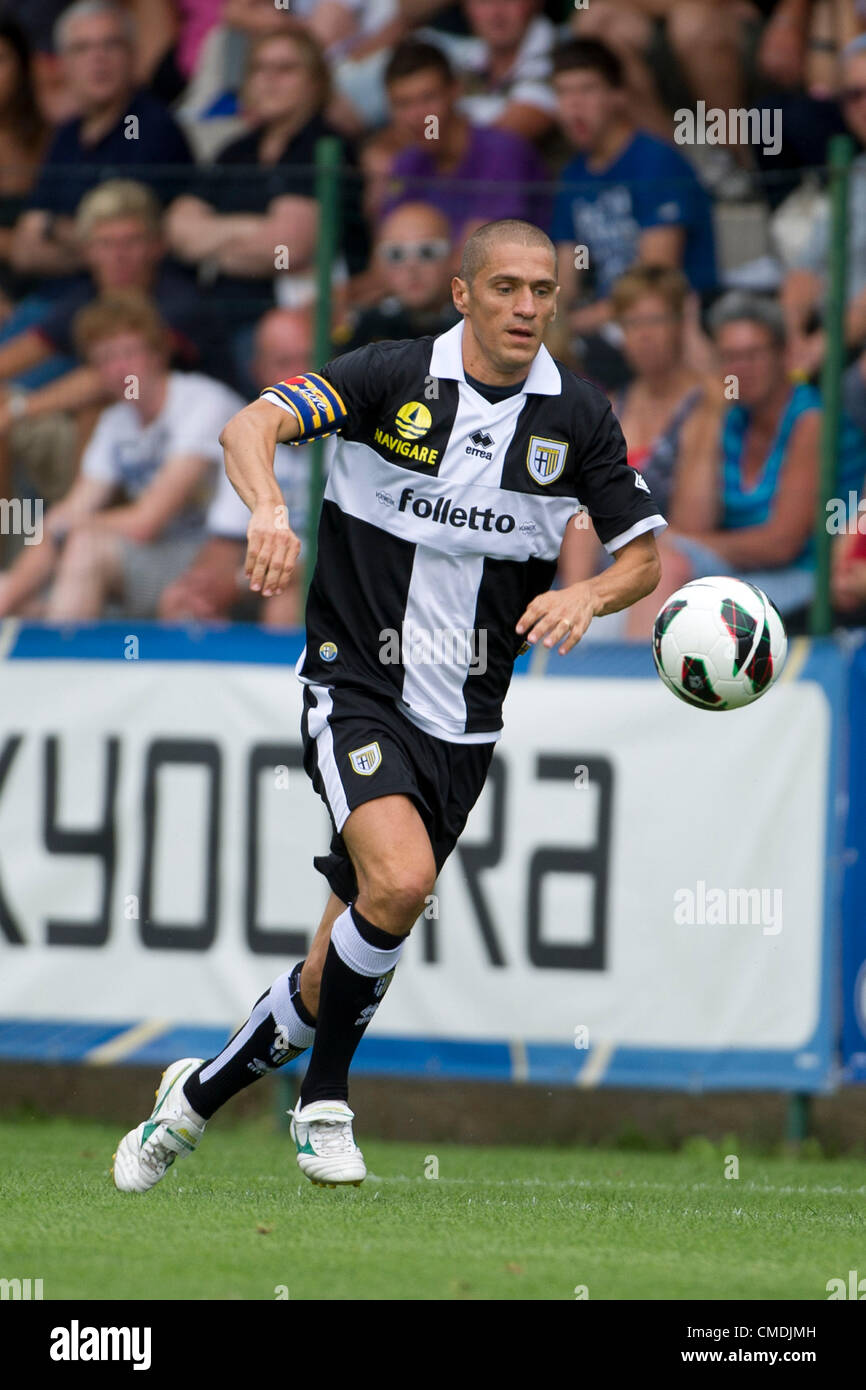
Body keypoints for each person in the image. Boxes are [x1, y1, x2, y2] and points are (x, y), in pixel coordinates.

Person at [111, 217, 666, 1194]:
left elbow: (643, 559)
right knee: (402, 882)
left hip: (466, 720)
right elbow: (250, 425)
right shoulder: (387, 375)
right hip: (355, 680)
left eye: (542, 290)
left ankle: (192, 1097)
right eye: (504, 288)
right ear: (461, 295)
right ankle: (325, 1102)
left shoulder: (576, 415)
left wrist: (586, 594)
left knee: (339, 962)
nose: (526, 307)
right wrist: (269, 507)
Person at [624, 291, 866, 637]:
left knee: (663, 561)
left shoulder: (811, 418)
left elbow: (781, 544)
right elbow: (693, 521)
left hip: (809, 580)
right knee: (627, 599)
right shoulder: (730, 417)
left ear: (784, 356)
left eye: (752, 355)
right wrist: (711, 413)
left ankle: (641, 685)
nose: (740, 370)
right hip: (740, 573)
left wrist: (683, 542)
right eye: (729, 358)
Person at [0, 292, 243, 621]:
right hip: (161, 558)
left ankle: (71, 662)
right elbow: (76, 506)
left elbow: (146, 521)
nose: (119, 368)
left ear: (158, 354)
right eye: (105, 359)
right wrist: (11, 590)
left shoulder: (202, 402)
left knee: (85, 546)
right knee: (24, 594)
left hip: (224, 561)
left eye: (128, 353)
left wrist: (63, 526)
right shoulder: (116, 421)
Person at [165, 27, 368, 394]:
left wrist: (214, 247)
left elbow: (288, 248)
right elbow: (178, 230)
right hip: (216, 316)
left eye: (285, 69)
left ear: (315, 81)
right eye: (260, 69)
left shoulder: (323, 144)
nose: (269, 81)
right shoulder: (238, 150)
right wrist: (254, 229)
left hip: (292, 325)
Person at [549, 37, 717, 376]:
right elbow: (565, 277)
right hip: (605, 319)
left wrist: (577, 323)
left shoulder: (656, 161)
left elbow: (655, 278)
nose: (574, 106)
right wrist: (553, 321)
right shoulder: (574, 174)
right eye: (563, 93)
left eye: (587, 90)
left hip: (671, 316)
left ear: (618, 96)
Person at [558, 264, 719, 589]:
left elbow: (694, 521)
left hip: (681, 552)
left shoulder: (707, 401)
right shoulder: (613, 405)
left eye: (655, 321)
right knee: (581, 518)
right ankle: (571, 619)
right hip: (613, 551)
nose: (644, 335)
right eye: (632, 323)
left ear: (679, 326)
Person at [158, 307, 319, 628]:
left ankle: (297, 681)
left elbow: (348, 554)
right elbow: (225, 539)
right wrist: (205, 585)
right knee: (182, 602)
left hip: (343, 588)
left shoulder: (358, 432)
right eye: (284, 363)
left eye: (308, 359)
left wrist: (240, 583)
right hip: (267, 576)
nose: (300, 376)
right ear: (257, 372)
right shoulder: (249, 436)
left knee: (286, 601)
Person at [10, 0, 192, 281]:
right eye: (82, 49)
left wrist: (51, 228)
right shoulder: (67, 133)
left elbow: (123, 245)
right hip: (59, 292)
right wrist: (63, 234)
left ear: (133, 56)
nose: (99, 58)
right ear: (63, 65)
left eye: (111, 45)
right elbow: (25, 248)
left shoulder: (145, 125)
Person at [379, 40, 550, 244]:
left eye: (428, 98)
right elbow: (385, 259)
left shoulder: (502, 153)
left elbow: (474, 264)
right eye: (403, 104)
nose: (418, 116)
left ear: (455, 91)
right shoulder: (406, 164)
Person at [333, 201, 460, 353]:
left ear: (454, 257)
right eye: (396, 254)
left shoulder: (476, 324)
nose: (411, 267)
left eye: (427, 252)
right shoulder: (365, 328)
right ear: (380, 264)